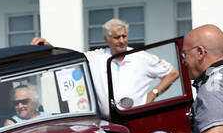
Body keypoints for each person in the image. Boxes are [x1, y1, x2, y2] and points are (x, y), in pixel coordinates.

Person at [31, 19, 179, 115]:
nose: (122, 41)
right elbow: (72, 60)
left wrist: (153, 94)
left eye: (124, 36)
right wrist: (50, 48)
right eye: (116, 37)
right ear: (106, 39)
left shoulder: (141, 56)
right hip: (109, 124)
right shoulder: (98, 57)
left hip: (138, 119)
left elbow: (172, 73)